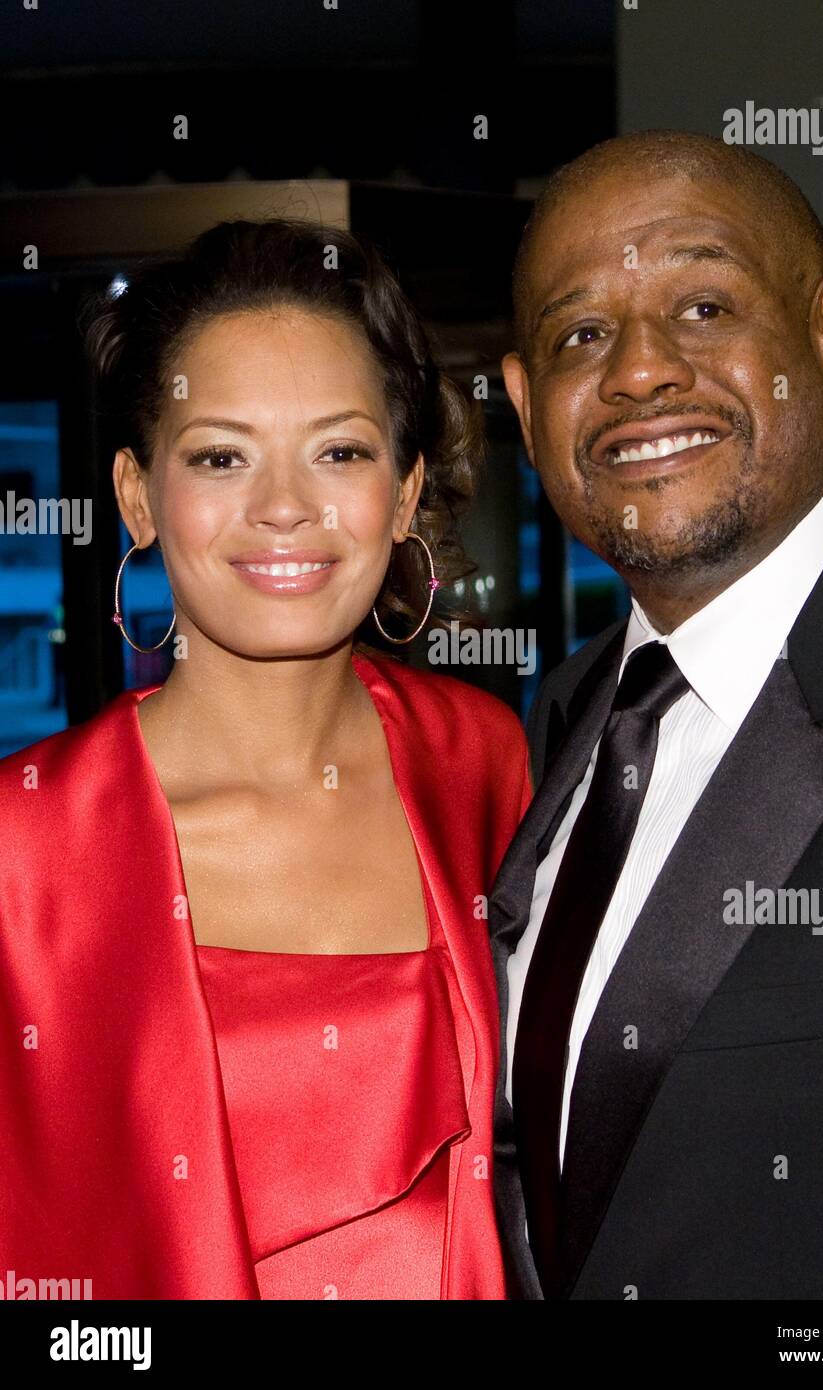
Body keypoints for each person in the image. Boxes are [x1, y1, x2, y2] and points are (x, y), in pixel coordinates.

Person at [0, 218, 529, 1300]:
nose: (284, 507)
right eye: (221, 456)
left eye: (339, 451)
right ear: (139, 496)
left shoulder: (480, 761)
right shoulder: (24, 843)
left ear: (406, 490)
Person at [491, 131, 823, 1300]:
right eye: (580, 334)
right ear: (522, 400)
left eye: (703, 305)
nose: (639, 372)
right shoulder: (566, 716)